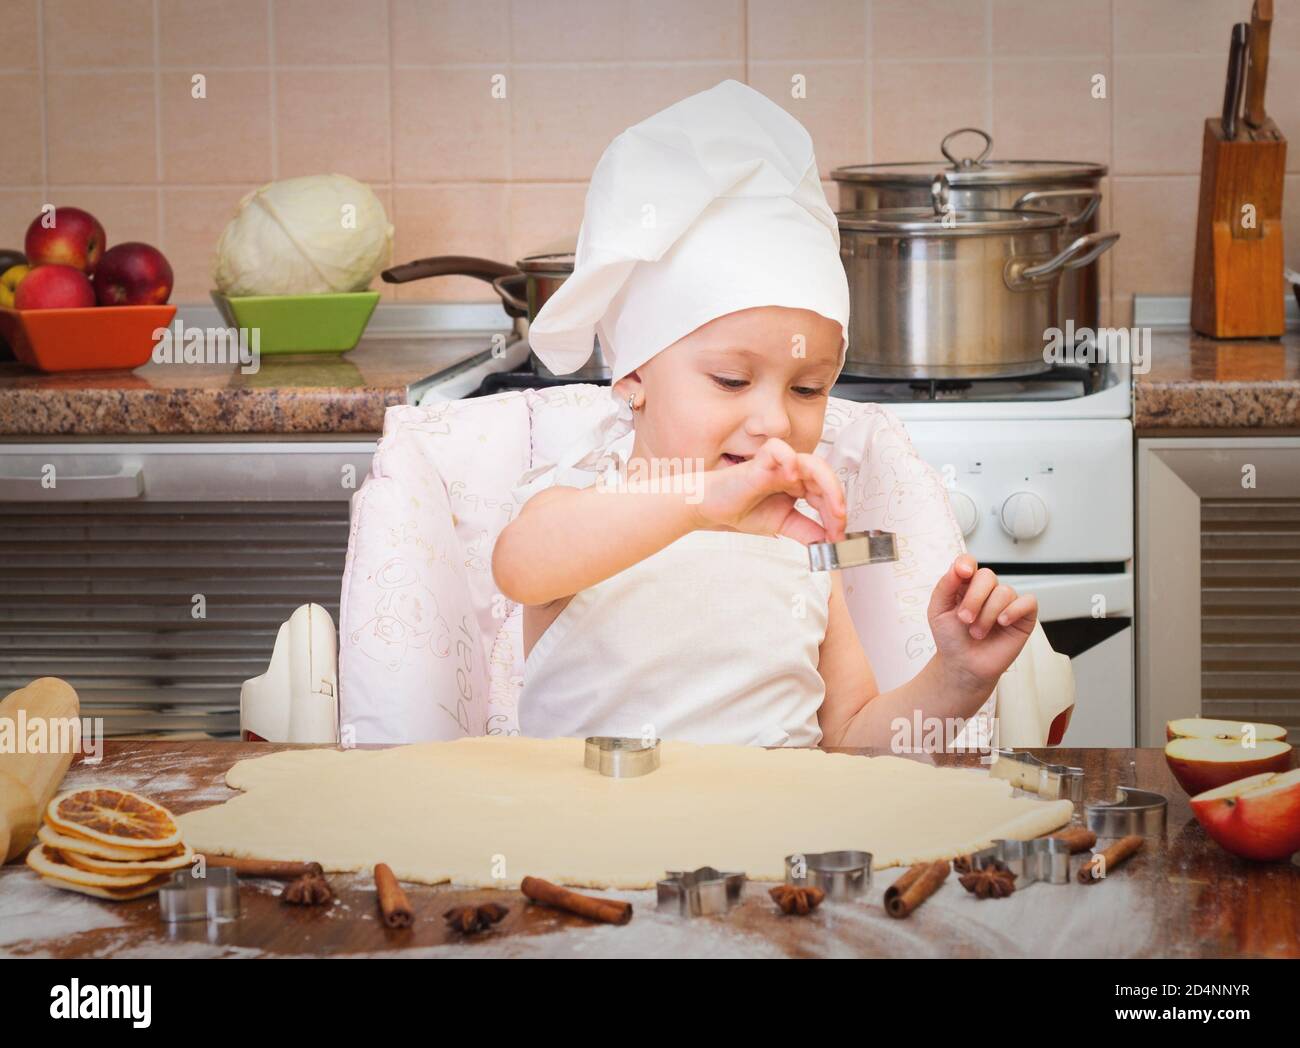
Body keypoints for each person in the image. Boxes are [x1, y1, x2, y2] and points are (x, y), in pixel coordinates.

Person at [491, 81, 1037, 750]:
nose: (775, 421)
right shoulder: (583, 508)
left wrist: (957, 679)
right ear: (633, 373)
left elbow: (849, 738)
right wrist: (703, 502)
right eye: (731, 379)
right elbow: (519, 566)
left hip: (777, 847)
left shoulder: (803, 549)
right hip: (597, 846)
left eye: (808, 389)